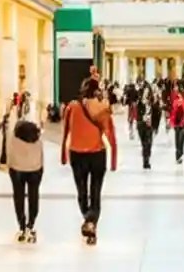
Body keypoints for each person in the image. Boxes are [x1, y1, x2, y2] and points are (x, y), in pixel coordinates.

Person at [61, 77, 118, 245]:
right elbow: (110, 134)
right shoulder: (102, 108)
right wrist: (114, 158)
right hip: (97, 154)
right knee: (95, 192)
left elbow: (66, 132)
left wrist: (63, 155)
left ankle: (88, 219)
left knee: (82, 192)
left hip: (77, 154)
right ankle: (91, 222)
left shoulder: (71, 107)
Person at [4, 102, 44, 243]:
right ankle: (31, 225)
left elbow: (9, 153)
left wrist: (10, 167)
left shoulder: (14, 138)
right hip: (34, 170)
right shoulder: (37, 140)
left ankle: (21, 226)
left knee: (18, 196)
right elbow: (41, 156)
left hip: (17, 170)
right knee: (33, 196)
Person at [135, 85, 163, 169]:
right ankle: (145, 159)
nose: (146, 94)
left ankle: (146, 160)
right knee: (144, 143)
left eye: (147, 92)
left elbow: (157, 114)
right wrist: (141, 117)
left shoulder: (153, 104)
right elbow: (137, 115)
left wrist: (156, 127)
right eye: (145, 92)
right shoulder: (139, 103)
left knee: (148, 143)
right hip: (141, 125)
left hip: (149, 126)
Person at [169, 86, 184, 163]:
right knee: (179, 140)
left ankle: (179, 155)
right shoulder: (180, 99)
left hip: (180, 123)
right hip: (180, 123)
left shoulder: (183, 99)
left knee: (179, 139)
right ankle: (179, 154)